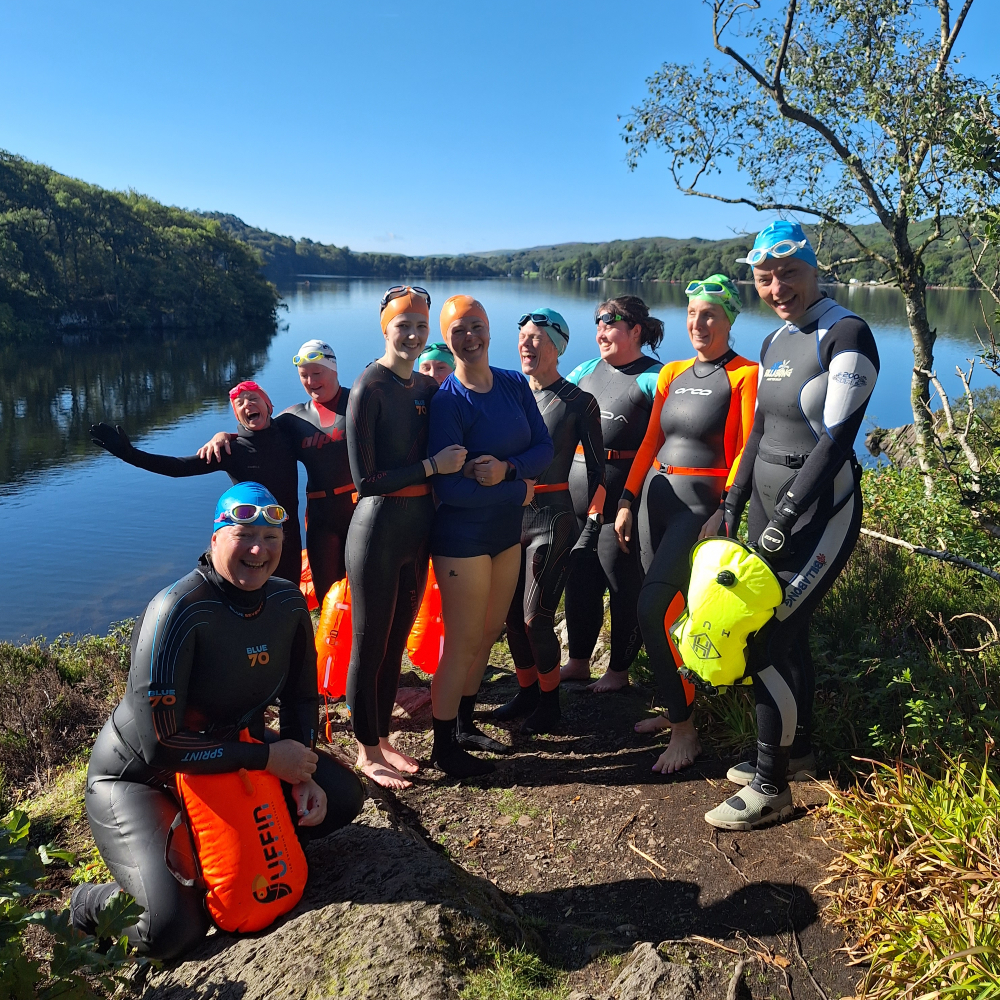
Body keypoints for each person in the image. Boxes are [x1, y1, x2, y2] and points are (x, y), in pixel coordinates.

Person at [70, 482, 365, 960]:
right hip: (142, 778)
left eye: (271, 538)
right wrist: (269, 758)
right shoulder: (178, 612)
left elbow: (300, 701)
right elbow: (159, 747)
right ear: (214, 539)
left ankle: (215, 851)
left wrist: (302, 773)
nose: (258, 549)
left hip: (229, 756)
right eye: (244, 534)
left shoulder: (288, 603)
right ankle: (90, 900)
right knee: (173, 929)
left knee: (342, 798)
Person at [704, 221, 879, 830]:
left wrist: (783, 518)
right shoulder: (777, 340)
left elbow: (835, 441)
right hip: (768, 509)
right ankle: (797, 753)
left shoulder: (846, 333)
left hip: (819, 517)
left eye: (790, 273)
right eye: (766, 277)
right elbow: (759, 432)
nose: (778, 287)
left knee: (763, 636)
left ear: (814, 270)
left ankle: (770, 783)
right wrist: (734, 501)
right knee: (789, 636)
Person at [614, 276, 757, 774]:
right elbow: (651, 440)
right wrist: (628, 499)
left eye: (711, 314)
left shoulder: (744, 375)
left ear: (730, 319)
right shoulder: (673, 371)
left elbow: (744, 451)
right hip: (656, 499)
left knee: (652, 606)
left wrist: (726, 510)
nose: (699, 323)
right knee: (672, 613)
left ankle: (684, 732)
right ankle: (679, 701)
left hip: (700, 508)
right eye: (693, 313)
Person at [345, 286, 467, 789]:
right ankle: (364, 749)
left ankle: (381, 739)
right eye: (404, 326)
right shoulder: (368, 389)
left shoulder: (424, 387)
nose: (414, 335)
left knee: (395, 643)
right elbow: (364, 481)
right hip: (377, 528)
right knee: (369, 643)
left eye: (421, 326)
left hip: (417, 529)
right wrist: (431, 466)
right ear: (385, 328)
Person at [427, 295, 553, 777]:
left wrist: (510, 472)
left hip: (506, 534)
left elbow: (543, 446)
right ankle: (444, 749)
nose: (470, 337)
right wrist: (518, 491)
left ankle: (462, 724)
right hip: (462, 536)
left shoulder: (514, 384)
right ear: (448, 336)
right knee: (460, 641)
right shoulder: (449, 403)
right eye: (459, 329)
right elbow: (449, 489)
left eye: (477, 326)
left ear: (489, 330)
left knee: (487, 633)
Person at [494, 308, 604, 734]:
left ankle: (550, 701)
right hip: (509, 516)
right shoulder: (510, 394)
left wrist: (593, 525)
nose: (526, 344)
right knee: (508, 616)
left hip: (553, 519)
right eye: (522, 336)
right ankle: (526, 690)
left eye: (536, 338)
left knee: (534, 617)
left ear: (557, 347)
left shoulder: (578, 402)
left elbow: (598, 471)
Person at [90, 382, 303, 586]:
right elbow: (178, 468)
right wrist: (130, 455)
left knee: (289, 597)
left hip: (288, 537)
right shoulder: (231, 450)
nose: (247, 405)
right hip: (249, 541)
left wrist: (224, 434)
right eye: (240, 404)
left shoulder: (288, 433)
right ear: (237, 415)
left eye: (253, 398)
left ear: (268, 405)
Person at [560, 297, 664, 691]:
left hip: (623, 497)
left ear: (636, 330)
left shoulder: (655, 377)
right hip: (577, 495)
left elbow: (668, 440)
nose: (601, 332)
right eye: (598, 324)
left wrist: (634, 500)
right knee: (580, 577)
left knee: (620, 581)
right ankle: (578, 661)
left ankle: (619, 670)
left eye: (610, 324)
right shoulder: (586, 370)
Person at [198, 341, 352, 603]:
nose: (311, 381)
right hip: (320, 517)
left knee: (365, 584)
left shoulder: (358, 401)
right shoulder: (295, 418)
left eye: (317, 373)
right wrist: (224, 435)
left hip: (358, 507)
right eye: (304, 375)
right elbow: (260, 431)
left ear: (334, 370)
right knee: (328, 594)